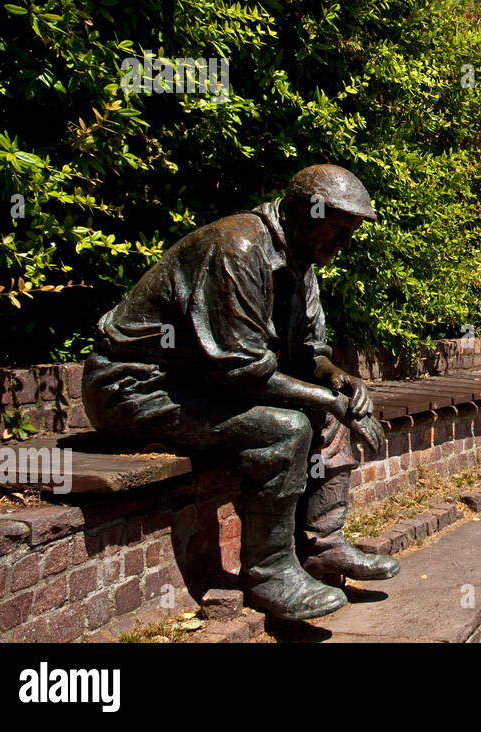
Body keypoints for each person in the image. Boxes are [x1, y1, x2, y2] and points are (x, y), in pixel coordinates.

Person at [81, 164, 398, 621]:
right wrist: (329, 400)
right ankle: (268, 572)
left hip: (201, 385)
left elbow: (309, 352)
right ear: (298, 212)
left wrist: (336, 379)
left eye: (350, 233)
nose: (344, 244)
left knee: (329, 414)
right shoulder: (238, 246)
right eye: (339, 229)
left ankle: (322, 545)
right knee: (285, 430)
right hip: (134, 387)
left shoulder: (301, 260)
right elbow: (242, 372)